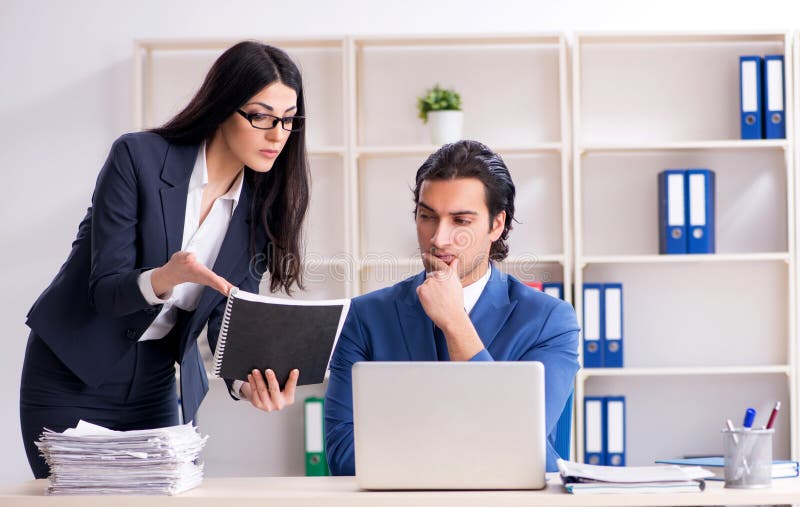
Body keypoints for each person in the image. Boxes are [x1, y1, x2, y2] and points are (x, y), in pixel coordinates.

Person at [20, 41, 309, 478]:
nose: (276, 135)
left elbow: (227, 314)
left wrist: (244, 381)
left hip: (155, 382)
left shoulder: (261, 210)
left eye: (288, 121)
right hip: (71, 372)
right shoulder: (138, 158)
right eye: (261, 116)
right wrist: (164, 278)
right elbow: (105, 293)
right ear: (222, 105)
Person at [324, 140, 580, 475]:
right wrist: (467, 443)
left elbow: (519, 447)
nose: (439, 238)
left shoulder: (549, 321)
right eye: (427, 216)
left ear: (496, 225)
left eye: (460, 220)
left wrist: (455, 323)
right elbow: (343, 457)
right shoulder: (364, 317)